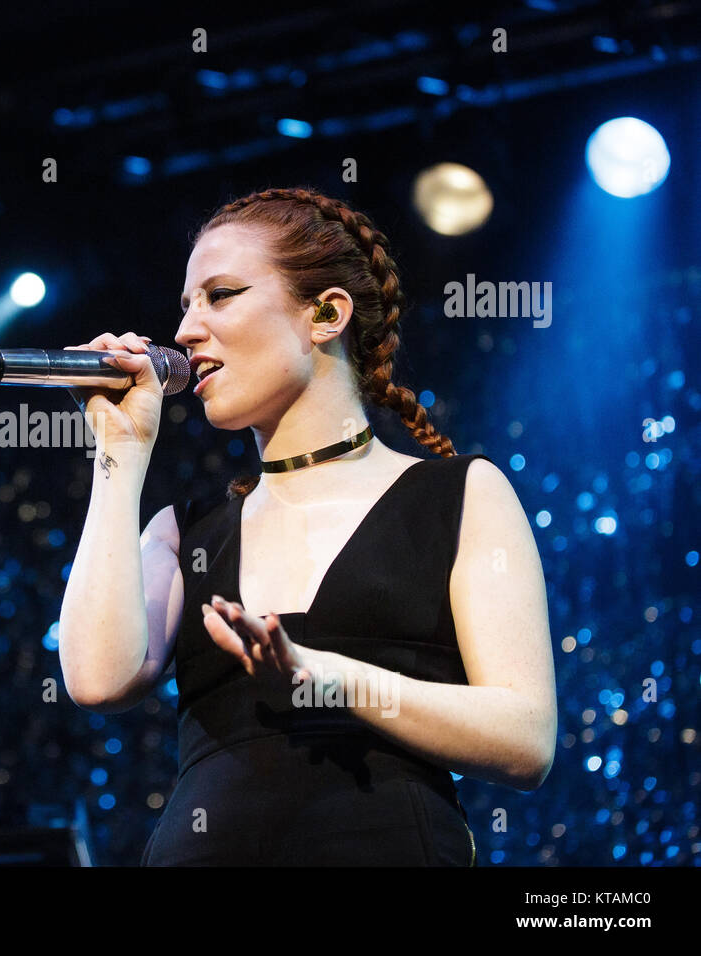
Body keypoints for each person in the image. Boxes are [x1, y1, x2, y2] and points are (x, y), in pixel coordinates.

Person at [57, 187, 557, 865]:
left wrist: (330, 679)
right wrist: (119, 451)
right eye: (184, 306)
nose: (184, 332)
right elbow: (97, 680)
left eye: (220, 295)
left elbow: (526, 740)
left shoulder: (457, 495)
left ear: (325, 314)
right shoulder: (185, 532)